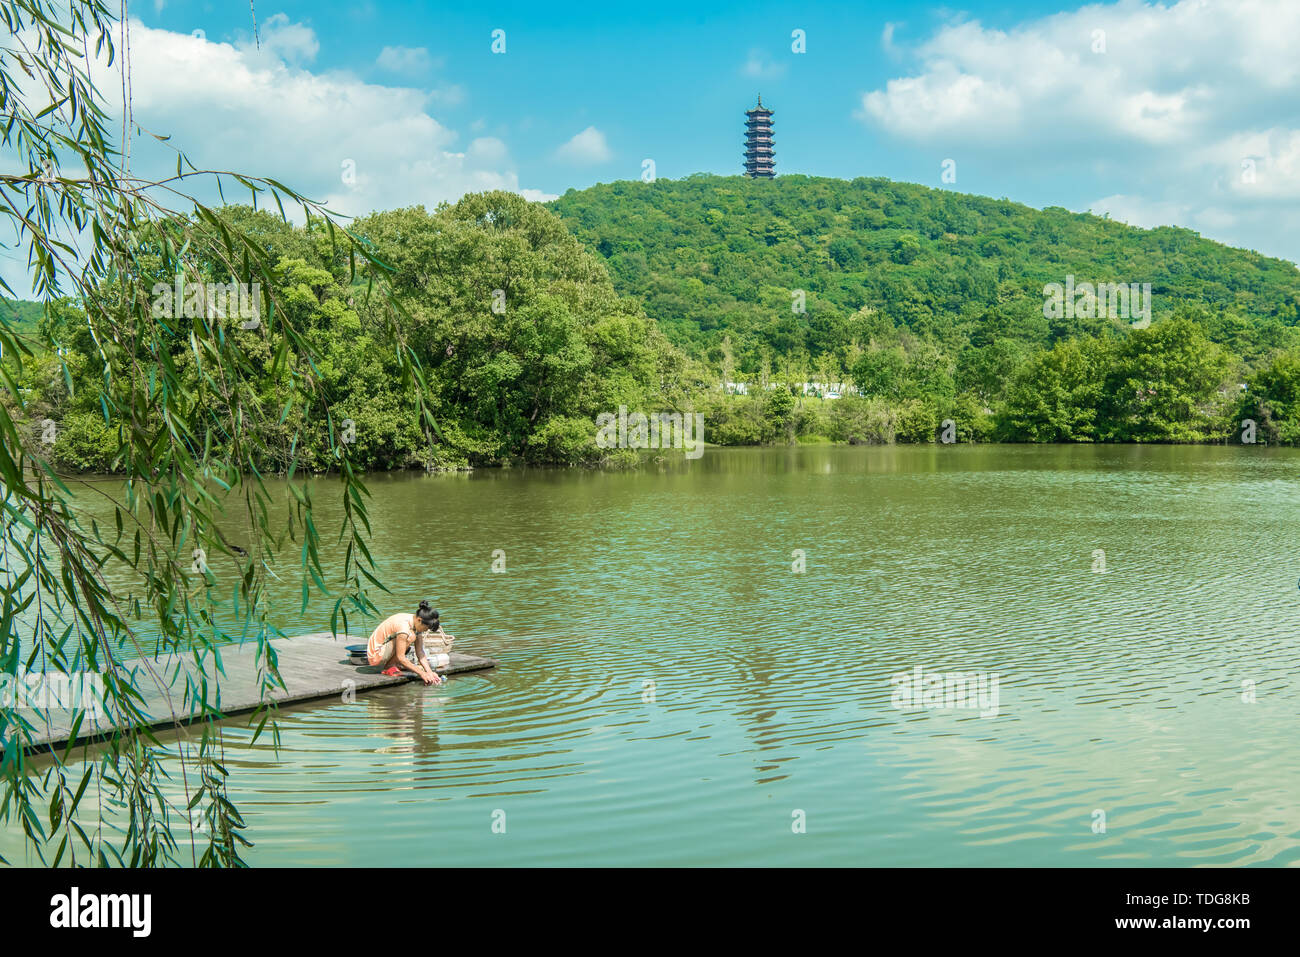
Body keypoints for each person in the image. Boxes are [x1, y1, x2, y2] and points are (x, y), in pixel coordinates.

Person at [366, 600, 454, 686]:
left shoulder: (415, 622)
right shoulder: (404, 627)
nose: (425, 631)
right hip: (376, 655)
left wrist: (430, 672)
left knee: (412, 636)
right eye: (425, 628)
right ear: (419, 620)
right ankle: (388, 667)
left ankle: (393, 664)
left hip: (386, 650)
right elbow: (401, 657)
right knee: (410, 637)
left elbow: (420, 652)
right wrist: (422, 674)